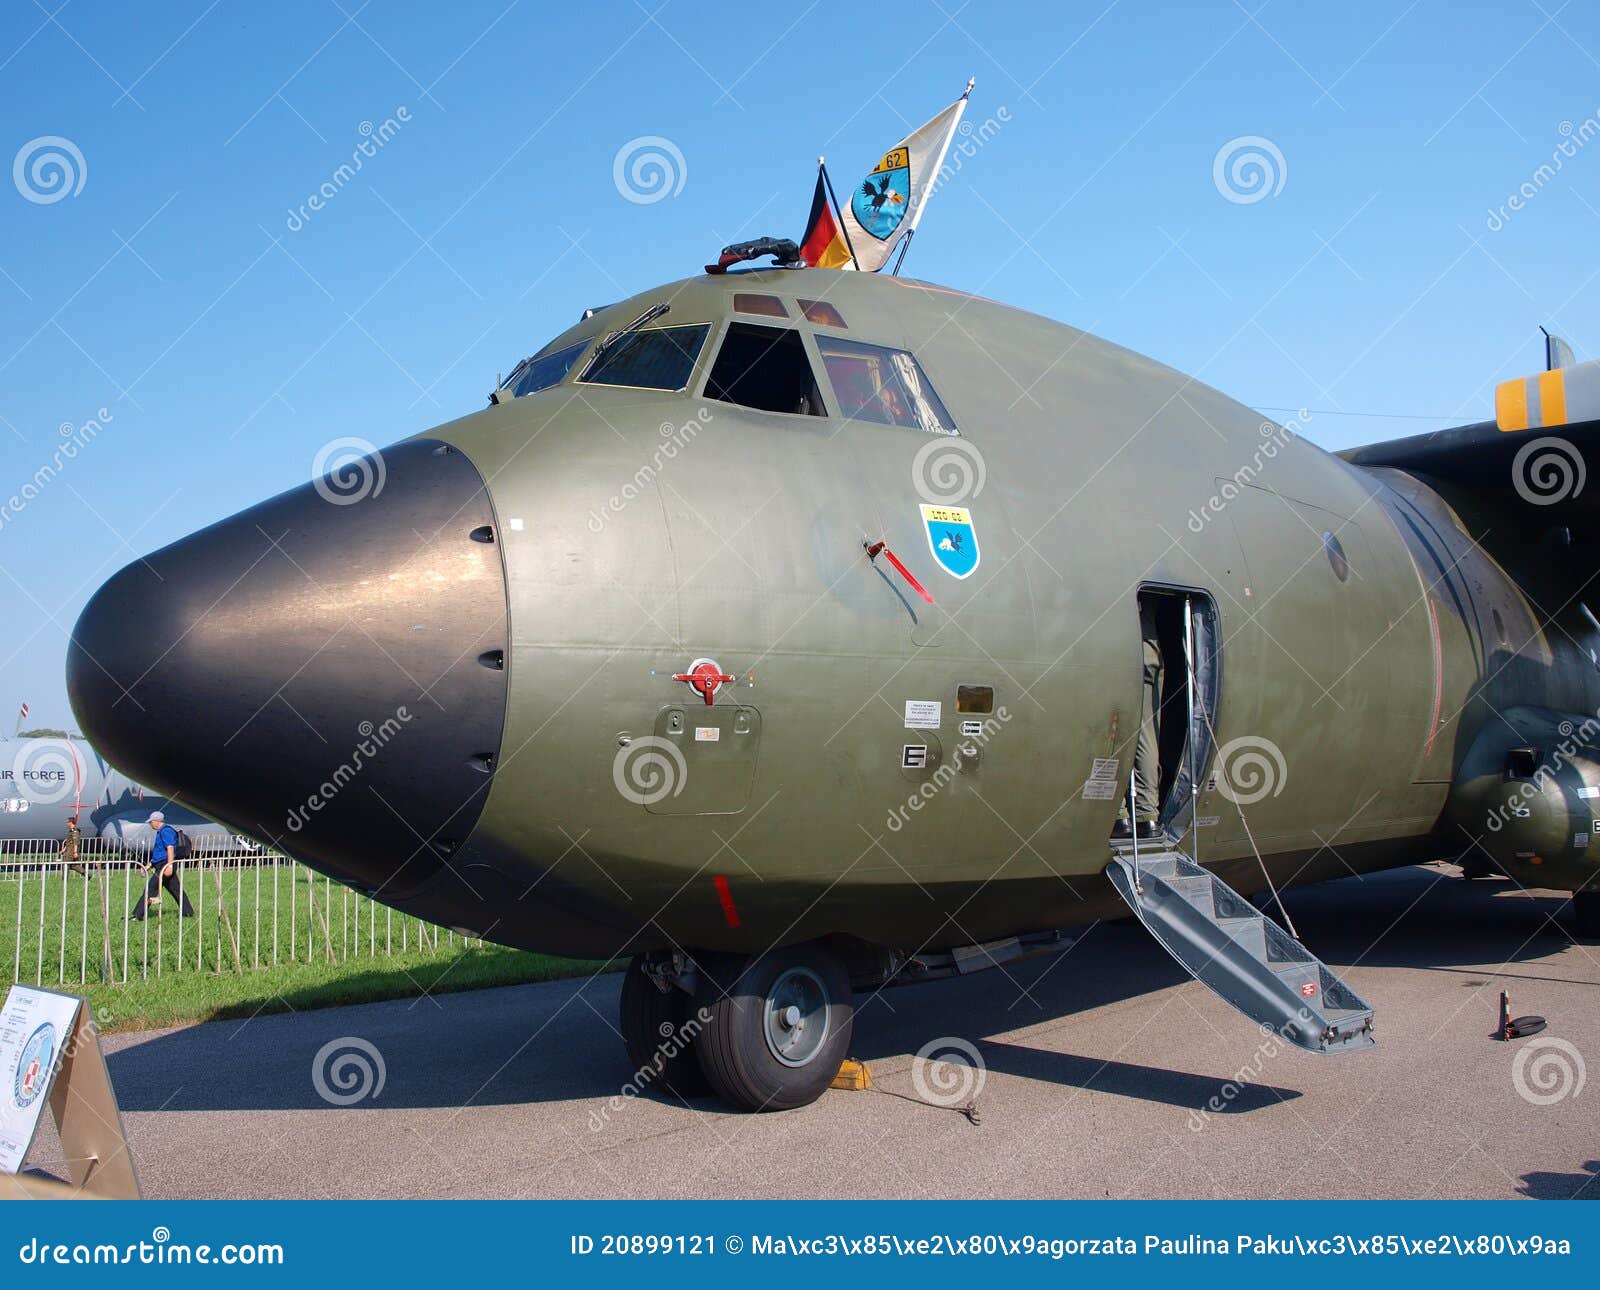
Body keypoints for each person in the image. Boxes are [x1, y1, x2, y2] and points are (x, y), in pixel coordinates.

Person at [1113, 600, 1164, 842]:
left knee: (1113, 731)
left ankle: (1117, 813)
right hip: (1147, 656)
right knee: (1145, 735)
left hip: (1121, 656)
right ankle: (1147, 817)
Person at [129, 810, 194, 920]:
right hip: (161, 864)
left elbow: (170, 848)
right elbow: (159, 853)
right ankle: (187, 912)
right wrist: (148, 866)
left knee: (151, 889)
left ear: (157, 821)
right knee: (176, 889)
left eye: (151, 822)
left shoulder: (166, 831)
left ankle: (138, 915)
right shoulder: (161, 831)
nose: (150, 824)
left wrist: (169, 866)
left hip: (165, 865)